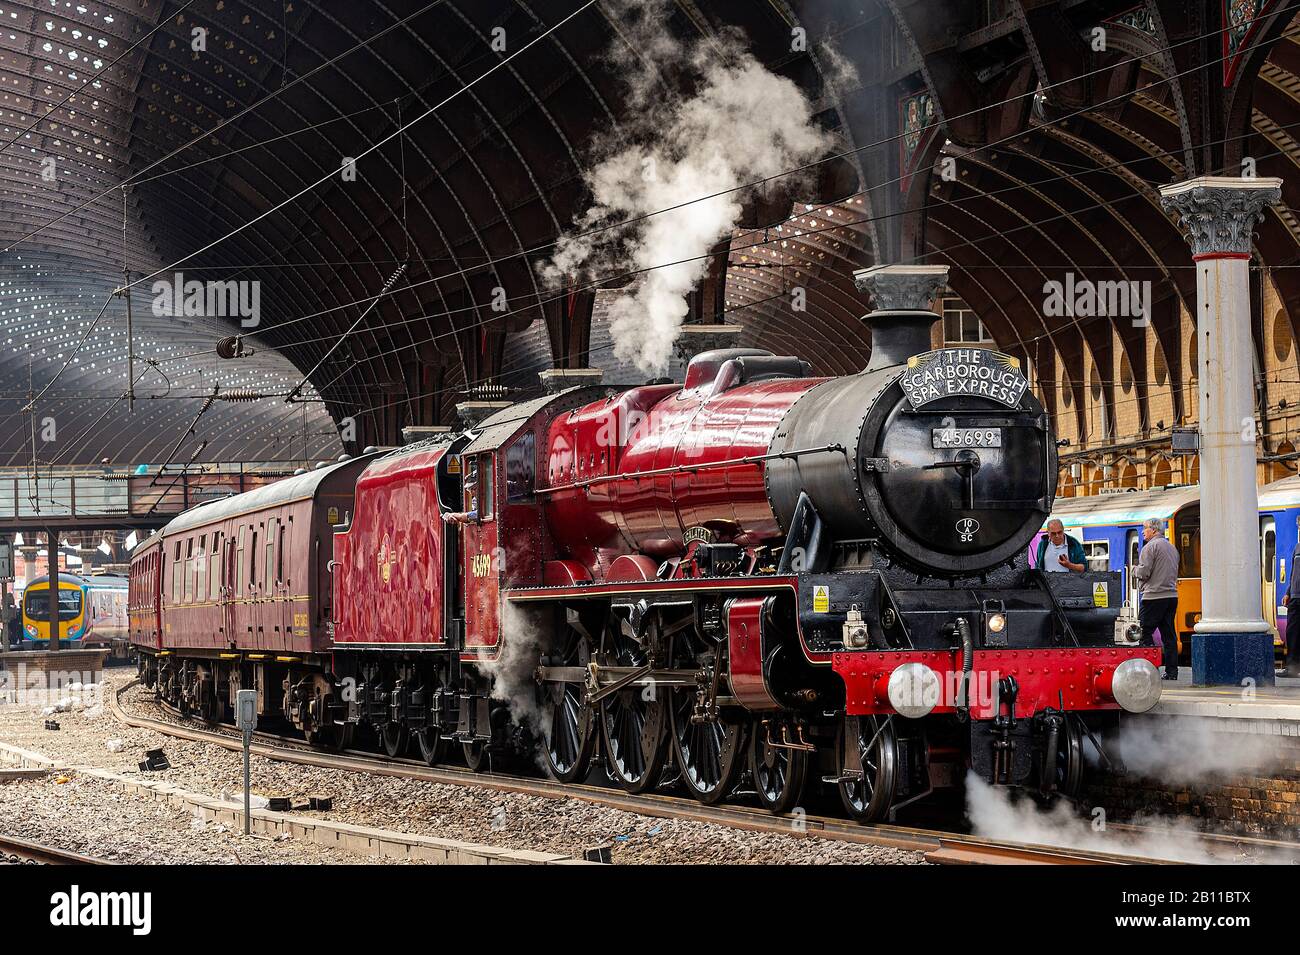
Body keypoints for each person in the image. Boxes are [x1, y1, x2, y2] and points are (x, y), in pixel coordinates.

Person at [1134, 517, 1180, 680]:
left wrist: (1135, 570)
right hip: (1171, 596)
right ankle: (1172, 671)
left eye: (1144, 528)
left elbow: (1144, 572)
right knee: (1169, 635)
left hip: (1153, 596)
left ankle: (1149, 670)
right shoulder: (1172, 548)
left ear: (1153, 530)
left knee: (1143, 633)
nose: (1142, 531)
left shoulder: (1150, 547)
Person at [1285, 515, 1300, 677]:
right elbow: (1293, 573)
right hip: (1295, 597)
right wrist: (1288, 592)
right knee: (1292, 633)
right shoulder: (1297, 548)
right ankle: (1292, 668)